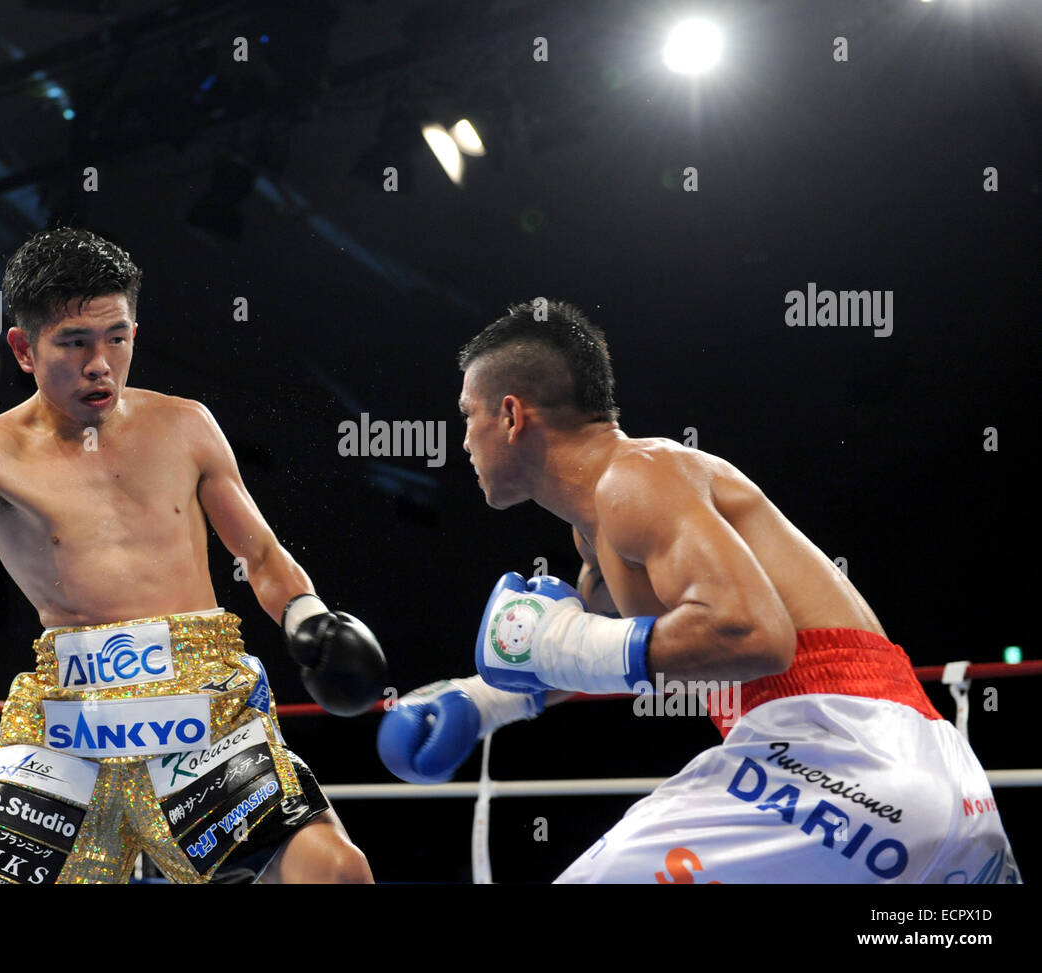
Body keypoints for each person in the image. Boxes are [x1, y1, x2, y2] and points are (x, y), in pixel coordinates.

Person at [378, 299, 1020, 884]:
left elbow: (751, 634)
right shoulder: (598, 534)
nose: (462, 439)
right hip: (940, 786)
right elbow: (618, 651)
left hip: (838, 762)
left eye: (467, 414)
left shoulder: (636, 478)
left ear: (511, 414)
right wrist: (485, 702)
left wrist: (556, 639)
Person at [0, 226, 386, 884]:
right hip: (71, 723)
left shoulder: (186, 425)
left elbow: (261, 554)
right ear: (24, 350)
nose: (101, 363)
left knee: (334, 870)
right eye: (75, 342)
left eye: (117, 337)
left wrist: (309, 618)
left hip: (202, 707)